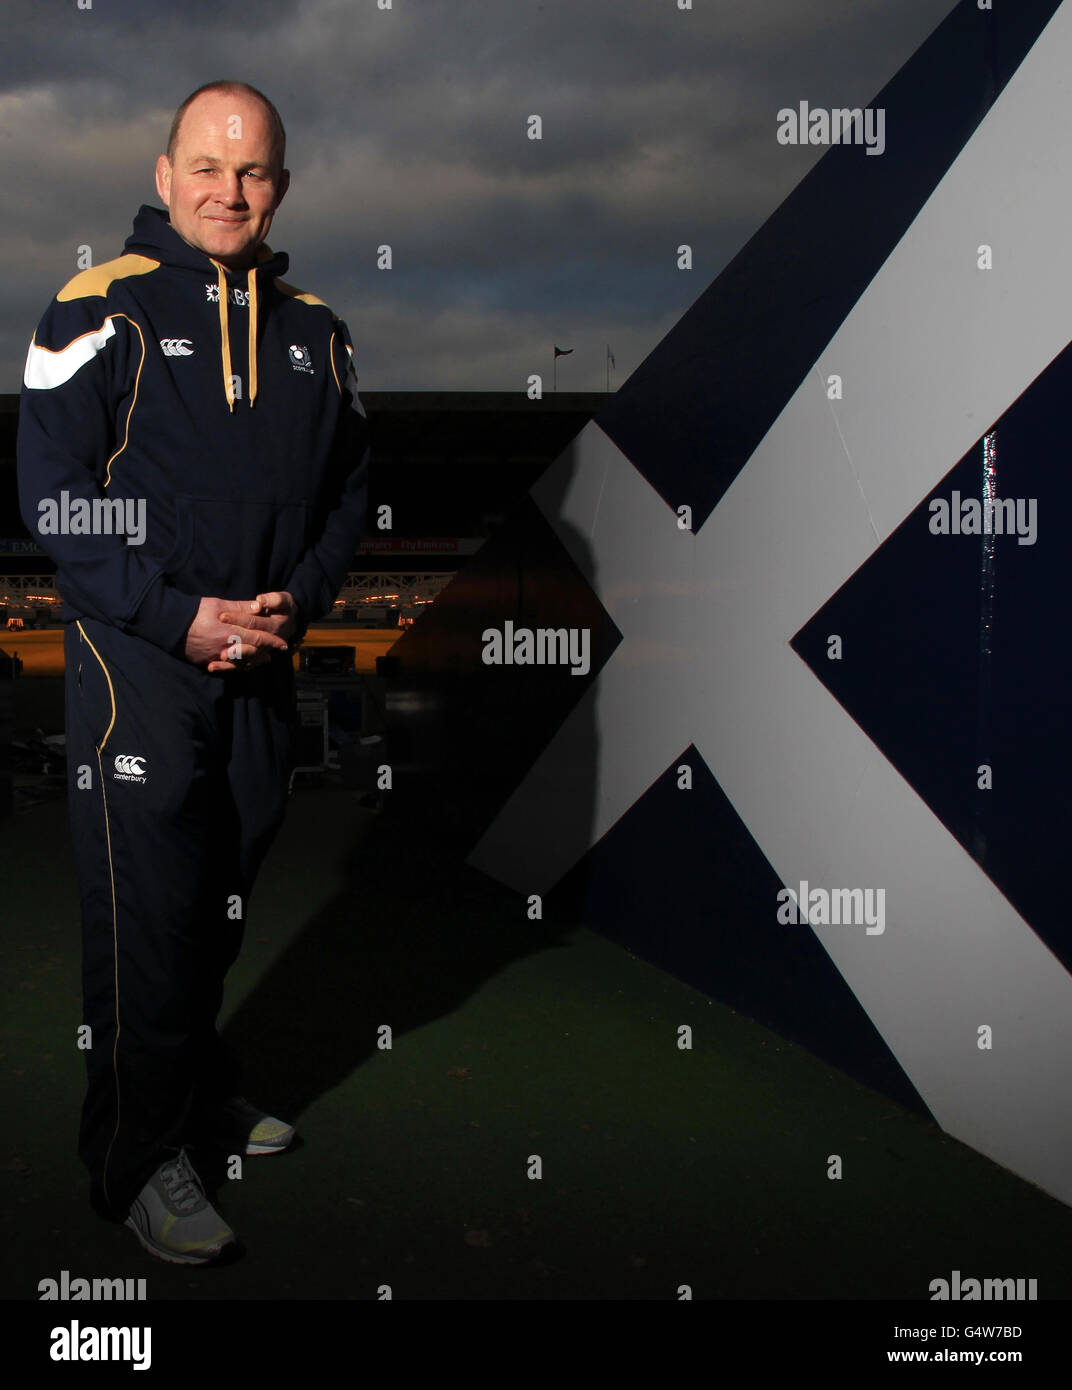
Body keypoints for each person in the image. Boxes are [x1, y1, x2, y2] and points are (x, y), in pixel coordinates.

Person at [16, 80, 369, 1265]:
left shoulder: (319, 328)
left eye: (254, 170)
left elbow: (351, 495)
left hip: (261, 663)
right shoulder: (92, 305)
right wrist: (177, 620)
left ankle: (194, 1088)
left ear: (281, 186)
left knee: (220, 900)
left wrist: (296, 605)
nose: (230, 191)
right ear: (165, 174)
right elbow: (54, 504)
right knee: (151, 919)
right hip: (140, 671)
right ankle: (132, 1159)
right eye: (207, 167)